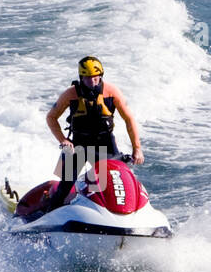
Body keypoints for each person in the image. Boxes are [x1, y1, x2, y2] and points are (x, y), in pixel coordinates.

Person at [39, 56, 144, 212]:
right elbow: (51, 117)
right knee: (65, 186)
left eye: (96, 78)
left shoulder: (112, 92)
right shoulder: (70, 94)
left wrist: (137, 148)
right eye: (88, 78)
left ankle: (123, 214)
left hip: (105, 145)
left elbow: (129, 119)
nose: (93, 82)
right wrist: (63, 140)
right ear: (81, 78)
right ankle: (49, 214)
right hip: (78, 146)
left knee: (113, 183)